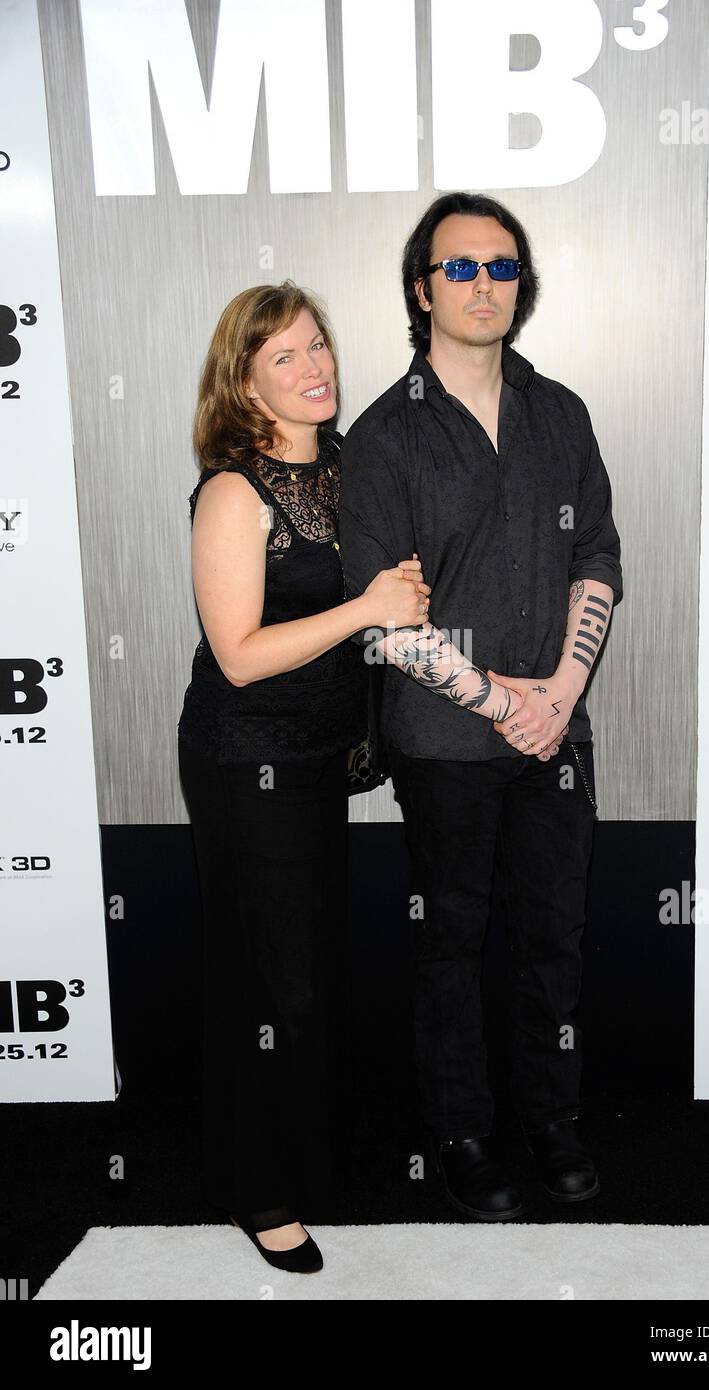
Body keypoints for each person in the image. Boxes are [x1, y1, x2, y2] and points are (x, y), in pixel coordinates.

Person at [339, 193, 623, 1220]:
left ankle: (552, 1119)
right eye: (458, 268)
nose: (481, 285)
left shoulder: (561, 412)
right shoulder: (379, 438)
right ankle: (460, 1130)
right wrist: (502, 699)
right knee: (450, 943)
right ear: (421, 289)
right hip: (443, 738)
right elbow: (376, 614)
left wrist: (561, 690)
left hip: (560, 728)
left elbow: (594, 552)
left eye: (499, 267)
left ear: (520, 284)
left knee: (554, 937)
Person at [177, 283, 430, 1270]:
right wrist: (365, 603)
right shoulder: (234, 491)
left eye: (316, 345)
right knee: (268, 978)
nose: (312, 367)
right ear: (242, 382)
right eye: (281, 356)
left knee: (308, 973)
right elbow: (237, 652)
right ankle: (256, 1188)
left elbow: (397, 607)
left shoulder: (349, 468)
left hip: (323, 759)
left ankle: (300, 1152)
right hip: (247, 761)